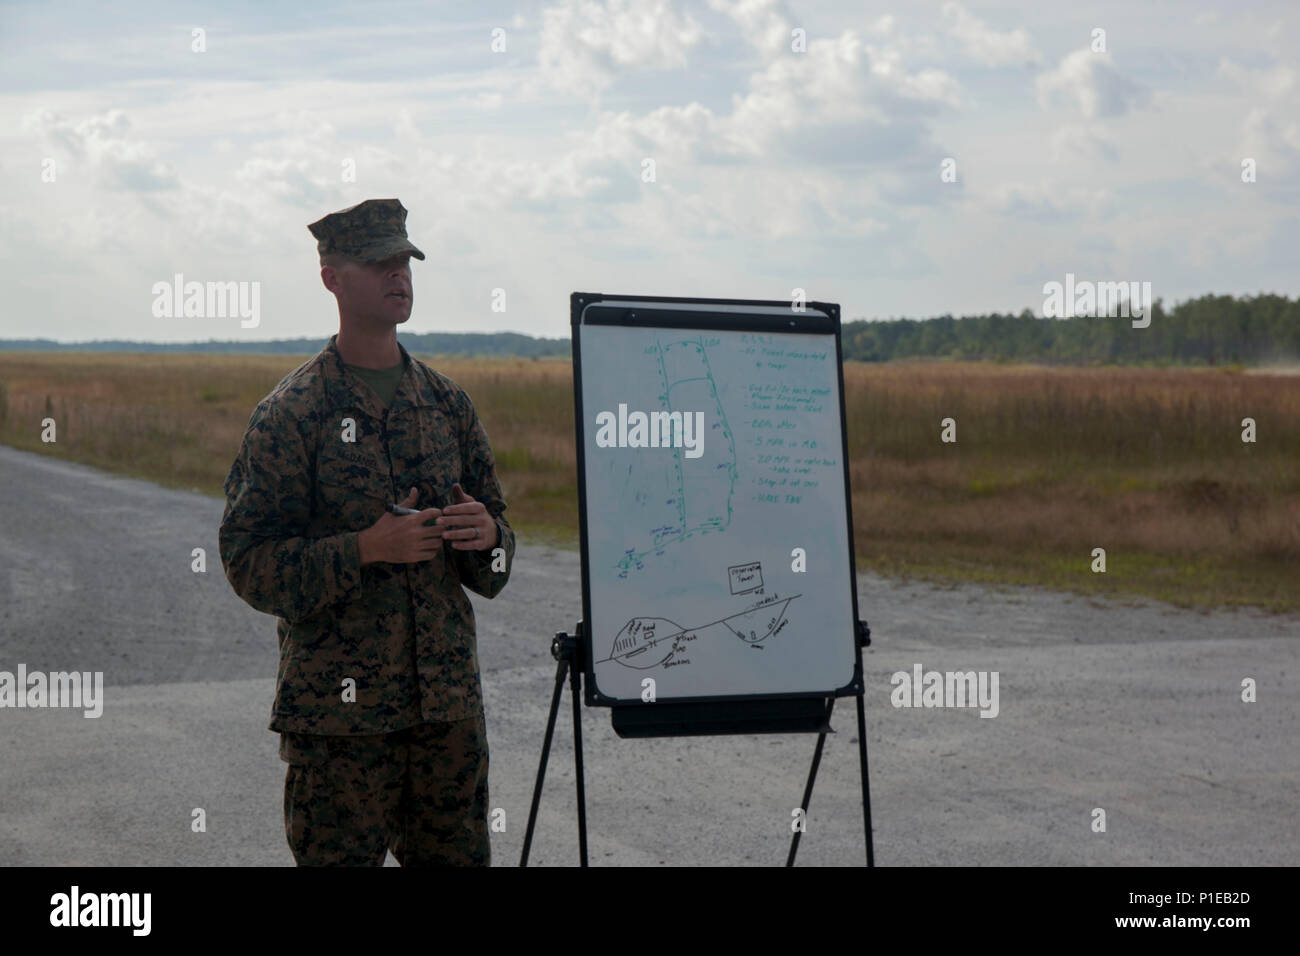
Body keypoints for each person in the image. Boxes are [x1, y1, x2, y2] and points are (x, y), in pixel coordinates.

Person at [218, 198, 514, 866]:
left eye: (404, 261)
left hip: (446, 718)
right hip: (339, 726)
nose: (398, 275)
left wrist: (487, 536)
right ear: (332, 278)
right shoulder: (294, 414)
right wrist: (363, 549)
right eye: (378, 262)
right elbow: (247, 560)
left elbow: (495, 567)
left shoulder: (446, 405)